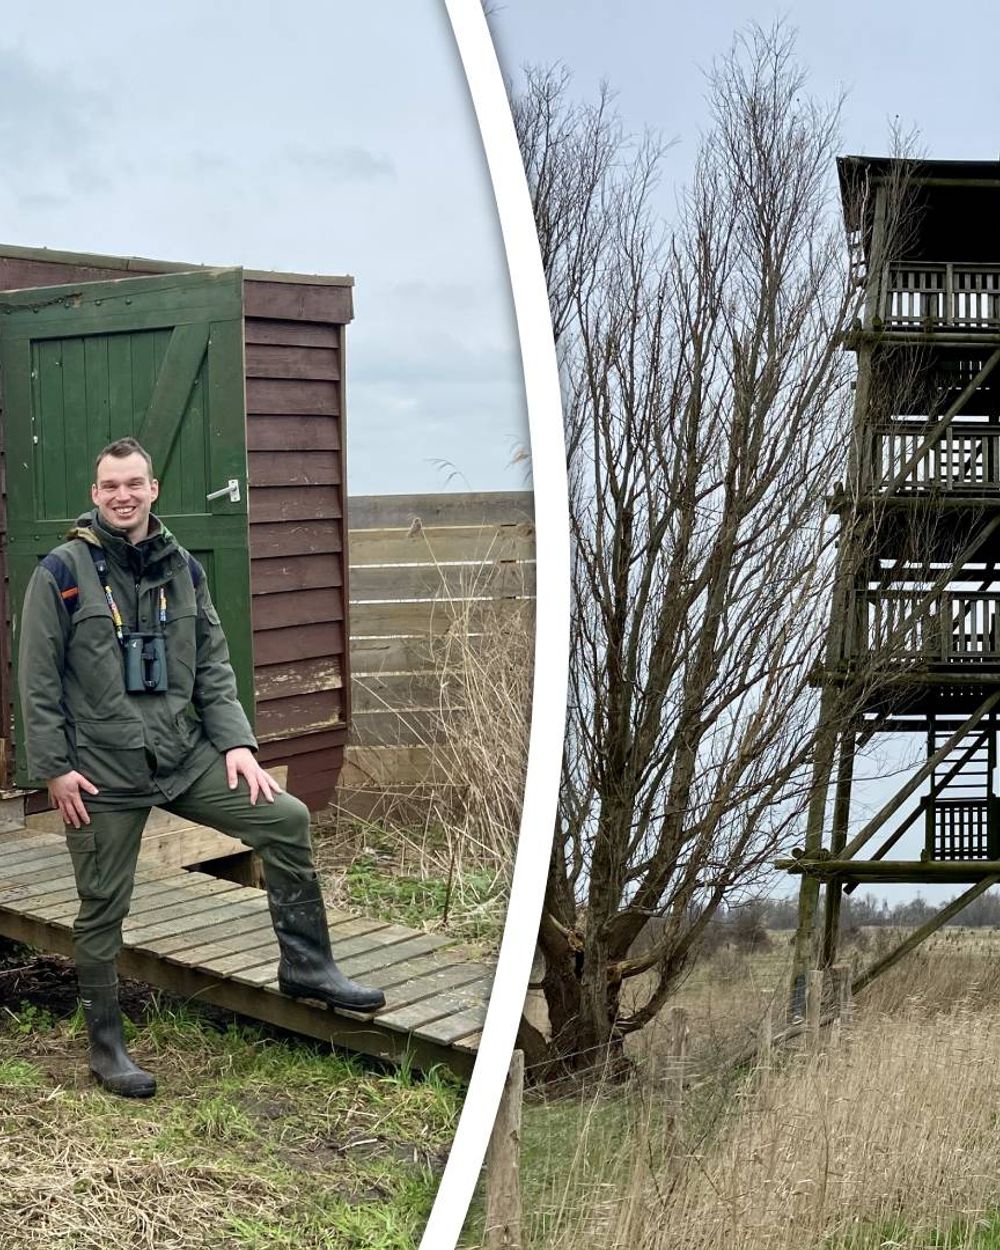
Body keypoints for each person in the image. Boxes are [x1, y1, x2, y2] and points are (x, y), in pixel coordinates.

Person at [17, 437, 384, 1099]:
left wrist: (236, 743)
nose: (123, 496)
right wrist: (55, 769)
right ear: (94, 495)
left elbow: (213, 664)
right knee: (102, 908)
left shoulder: (183, 570)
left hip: (185, 758)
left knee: (286, 817)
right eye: (110, 487)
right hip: (102, 774)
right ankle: (107, 1048)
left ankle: (307, 966)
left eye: (134, 483)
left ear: (153, 489)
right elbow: (37, 681)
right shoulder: (63, 572)